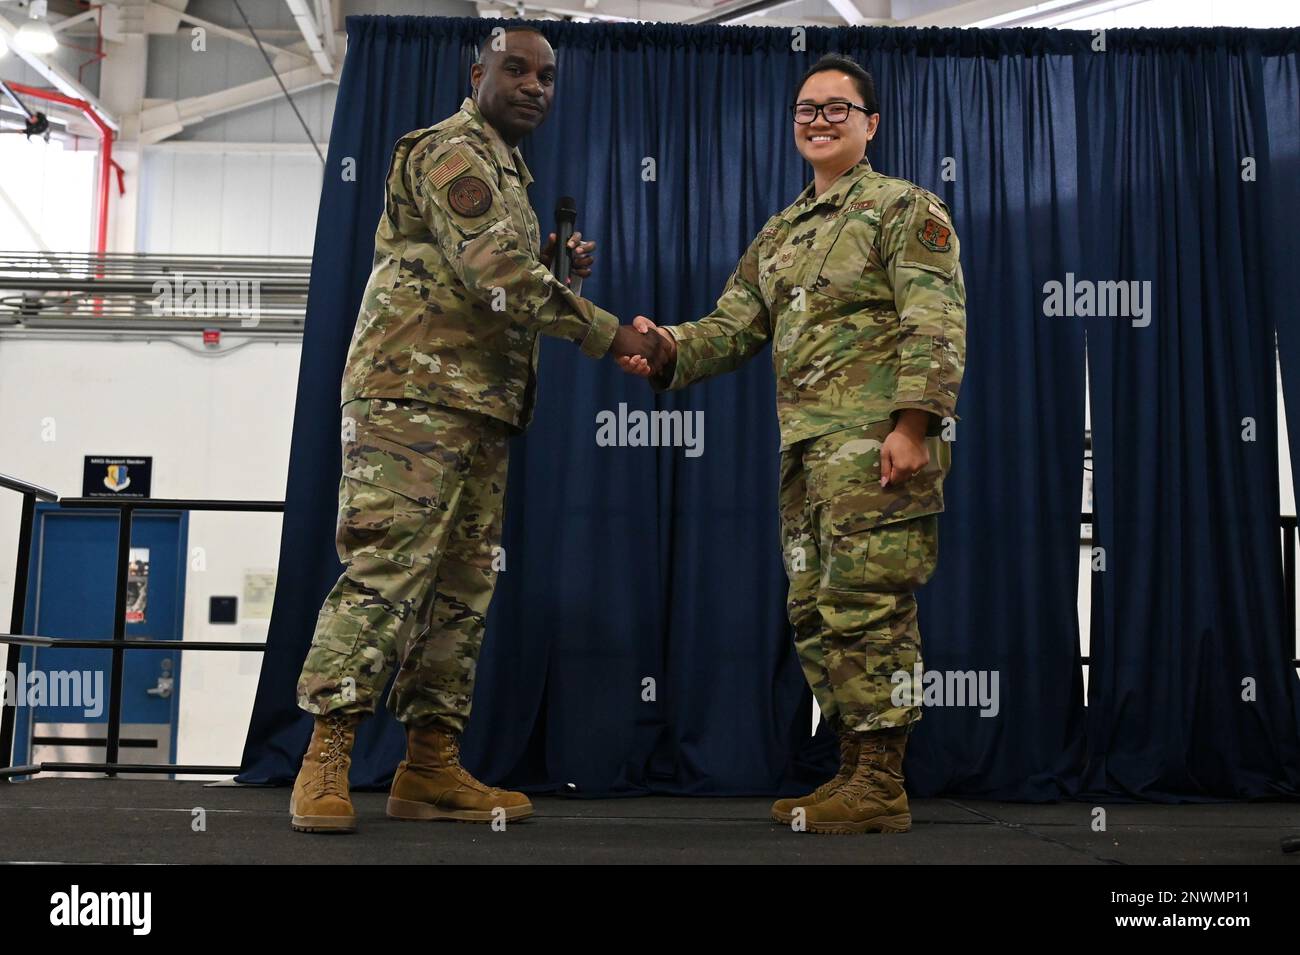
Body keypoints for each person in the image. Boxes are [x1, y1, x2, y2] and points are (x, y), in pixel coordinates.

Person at [291, 24, 666, 833]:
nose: (535, 85)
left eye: (547, 76)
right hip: (411, 399)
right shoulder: (450, 151)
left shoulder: (511, 175)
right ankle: (325, 751)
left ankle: (428, 764)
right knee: (386, 571)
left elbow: (502, 275)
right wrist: (611, 332)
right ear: (478, 73)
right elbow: (494, 272)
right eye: (517, 69)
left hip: (480, 406)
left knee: (461, 592)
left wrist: (552, 265)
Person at [619, 54, 966, 834]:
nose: (818, 120)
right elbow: (733, 326)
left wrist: (914, 427)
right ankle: (852, 768)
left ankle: (883, 779)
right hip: (806, 460)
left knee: (871, 608)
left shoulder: (903, 209)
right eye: (806, 109)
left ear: (871, 125)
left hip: (878, 447)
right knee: (816, 610)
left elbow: (936, 320)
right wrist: (667, 345)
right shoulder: (780, 233)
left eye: (837, 109)